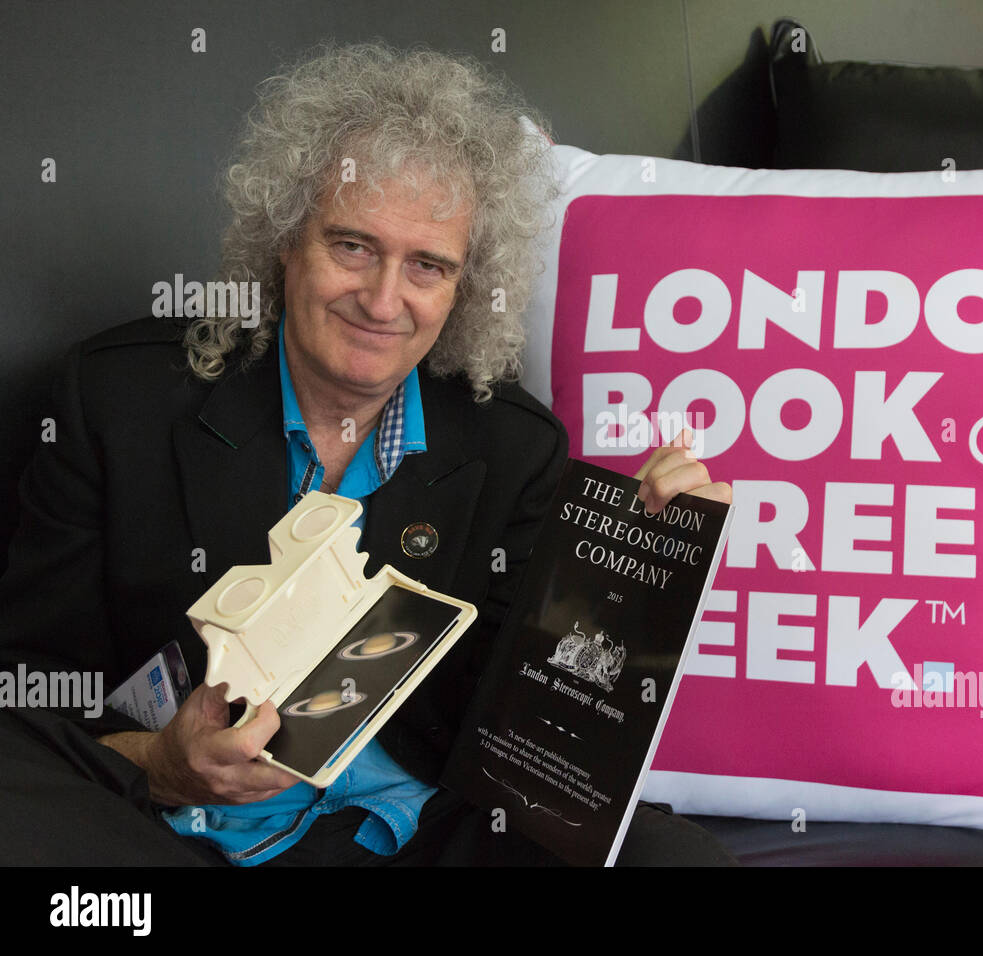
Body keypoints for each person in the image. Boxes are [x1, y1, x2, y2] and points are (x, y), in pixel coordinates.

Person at [0, 41, 733, 866]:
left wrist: (635, 570)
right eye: (352, 246)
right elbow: (29, 690)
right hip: (165, 831)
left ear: (462, 285)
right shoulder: (119, 402)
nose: (385, 301)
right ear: (285, 242)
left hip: (413, 829)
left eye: (428, 265)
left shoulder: (512, 446)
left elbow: (528, 720)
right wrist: (160, 767)